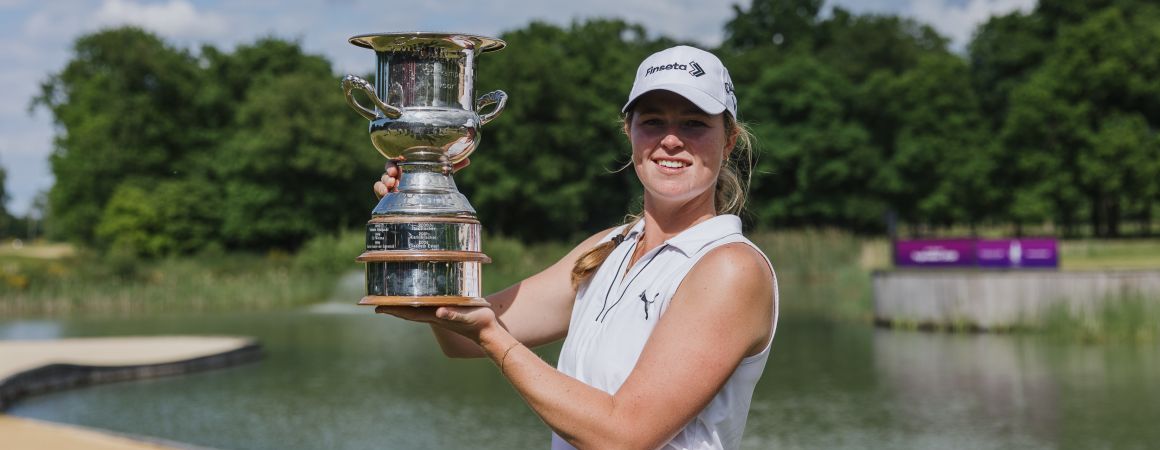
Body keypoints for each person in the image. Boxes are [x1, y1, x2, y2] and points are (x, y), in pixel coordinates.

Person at [375, 45, 778, 450]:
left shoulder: (729, 267)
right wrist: (423, 201)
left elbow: (624, 434)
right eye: (653, 121)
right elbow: (458, 336)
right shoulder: (608, 247)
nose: (670, 140)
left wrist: (494, 339)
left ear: (729, 140)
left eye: (694, 124)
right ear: (629, 132)